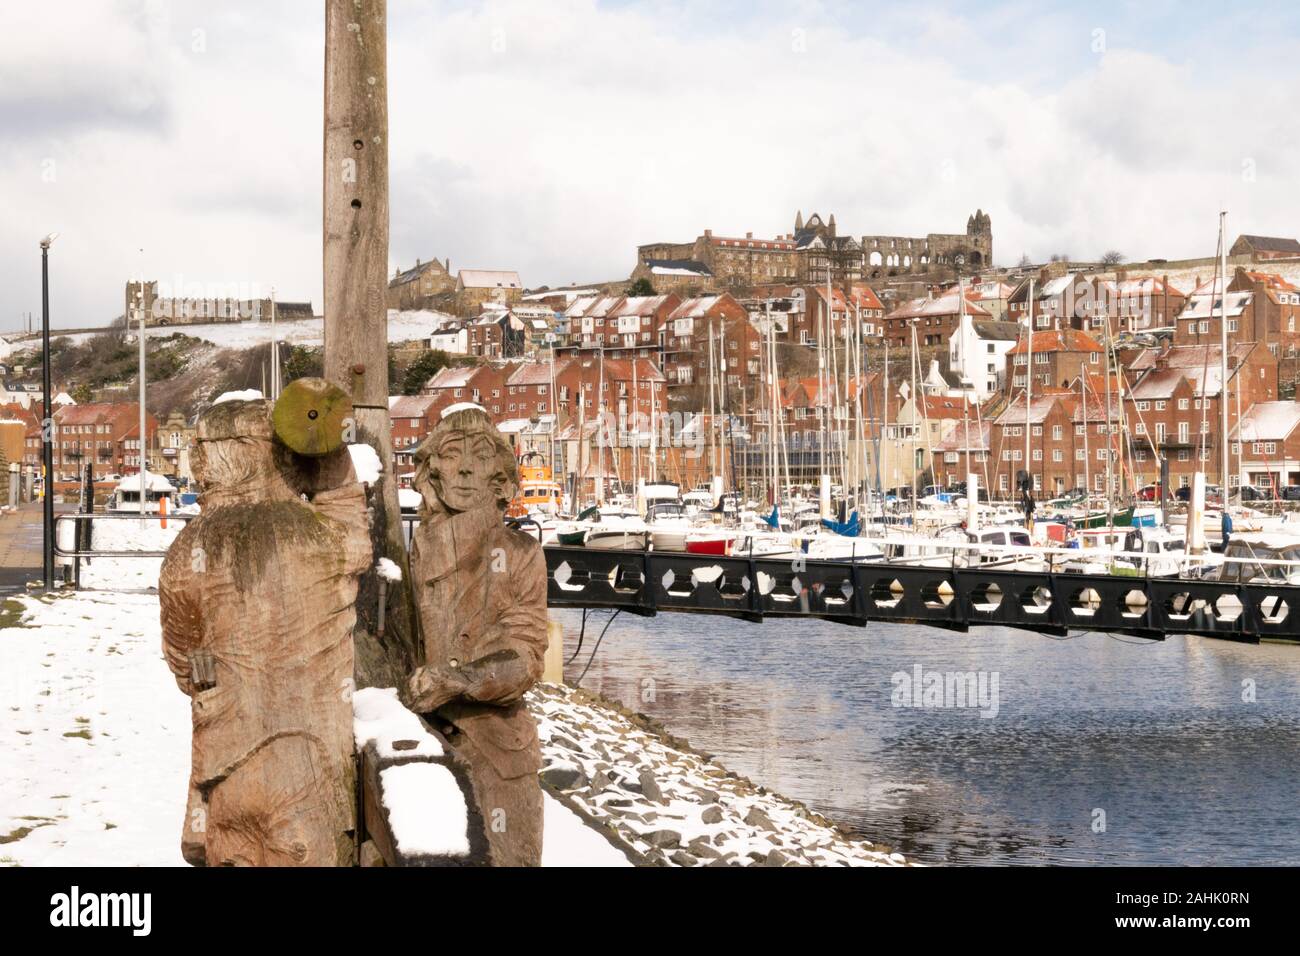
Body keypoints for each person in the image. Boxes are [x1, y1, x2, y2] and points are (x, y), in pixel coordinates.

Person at [159, 398, 370, 866]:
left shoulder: (189, 547)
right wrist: (321, 437)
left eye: (203, 448)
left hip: (225, 759)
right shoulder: (324, 536)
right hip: (307, 759)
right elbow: (345, 501)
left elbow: (180, 656)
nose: (197, 458)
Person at [402, 404, 549, 867]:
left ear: (500, 477)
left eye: (482, 456)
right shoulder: (409, 550)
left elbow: (525, 654)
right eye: (451, 453)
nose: (466, 467)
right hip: (416, 743)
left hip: (495, 746)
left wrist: (461, 680)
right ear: (431, 469)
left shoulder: (520, 553)